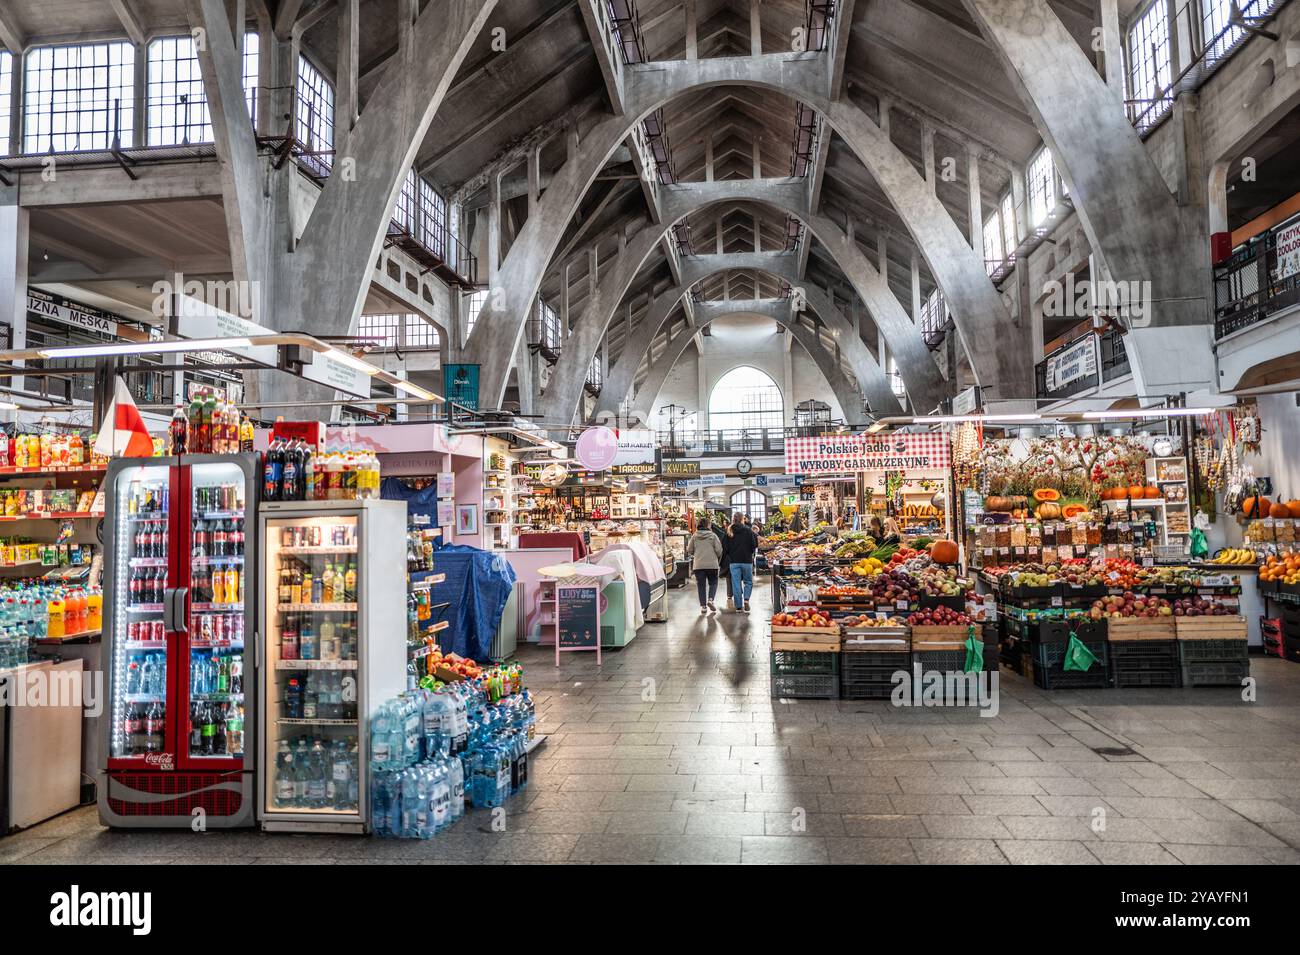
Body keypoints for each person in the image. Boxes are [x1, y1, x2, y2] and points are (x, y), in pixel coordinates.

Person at [687, 513, 724, 614]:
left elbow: (689, 550)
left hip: (698, 565)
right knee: (713, 583)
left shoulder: (694, 536)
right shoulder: (713, 536)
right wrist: (715, 556)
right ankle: (710, 600)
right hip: (712, 565)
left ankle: (703, 607)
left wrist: (698, 553)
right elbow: (719, 550)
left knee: (701, 585)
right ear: (708, 525)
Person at [725, 512, 761, 613]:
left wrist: (731, 554)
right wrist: (749, 552)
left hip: (734, 562)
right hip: (747, 561)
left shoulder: (729, 531)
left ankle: (739, 607)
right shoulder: (748, 531)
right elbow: (754, 545)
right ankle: (746, 599)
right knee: (748, 582)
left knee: (736, 583)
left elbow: (725, 547)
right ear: (742, 519)